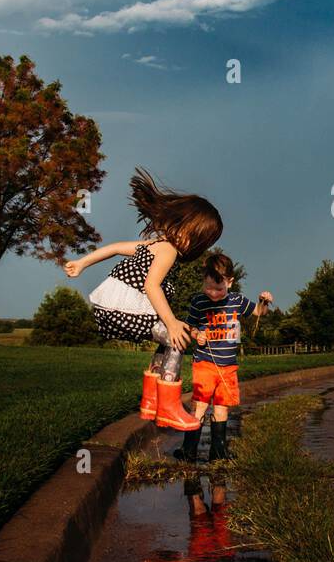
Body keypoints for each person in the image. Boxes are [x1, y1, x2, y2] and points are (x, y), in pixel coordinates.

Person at [64, 168, 222, 430]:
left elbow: (114, 248)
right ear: (185, 228)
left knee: (167, 339)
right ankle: (169, 407)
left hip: (108, 310)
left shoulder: (152, 245)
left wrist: (82, 263)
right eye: (197, 239)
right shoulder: (168, 250)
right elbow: (151, 286)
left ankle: (151, 401)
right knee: (177, 337)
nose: (195, 246)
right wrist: (171, 322)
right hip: (123, 310)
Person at [174, 251, 272, 461]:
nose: (213, 293)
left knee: (221, 408)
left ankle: (218, 452)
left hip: (228, 367)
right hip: (204, 364)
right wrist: (196, 335)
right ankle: (188, 450)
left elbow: (259, 313)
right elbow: (190, 328)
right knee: (199, 405)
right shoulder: (199, 301)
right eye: (208, 287)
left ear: (230, 282)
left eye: (218, 288)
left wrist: (264, 301)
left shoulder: (237, 300)